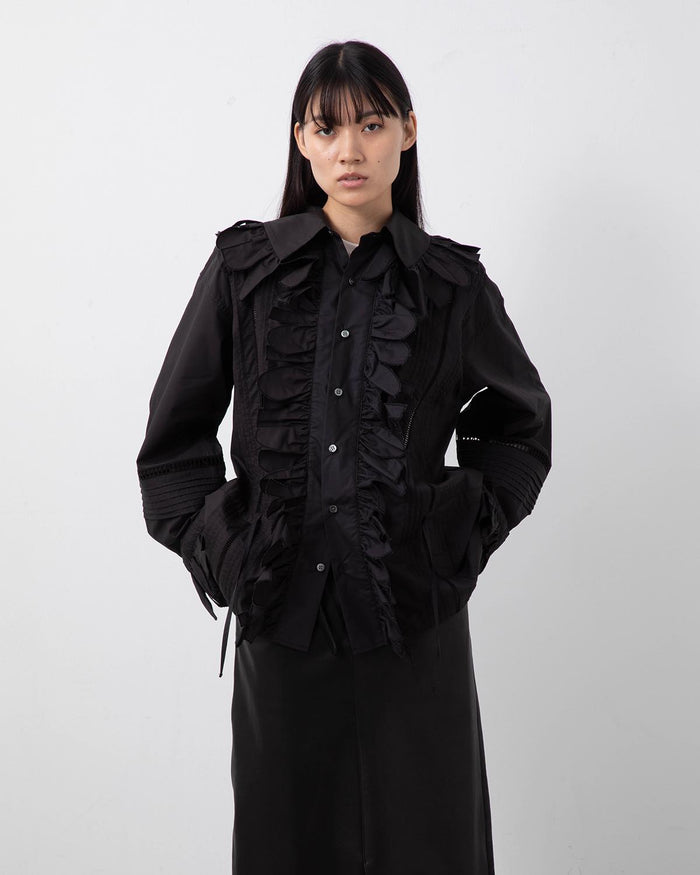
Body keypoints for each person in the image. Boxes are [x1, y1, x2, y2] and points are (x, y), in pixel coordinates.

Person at [136, 39, 552, 875]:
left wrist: (453, 534)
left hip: (413, 629)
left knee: (429, 846)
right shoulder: (245, 273)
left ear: (407, 131)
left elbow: (520, 425)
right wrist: (229, 550)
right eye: (327, 129)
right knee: (288, 847)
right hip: (283, 627)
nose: (350, 149)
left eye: (371, 124)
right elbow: (174, 441)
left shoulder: (451, 285)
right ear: (301, 141)